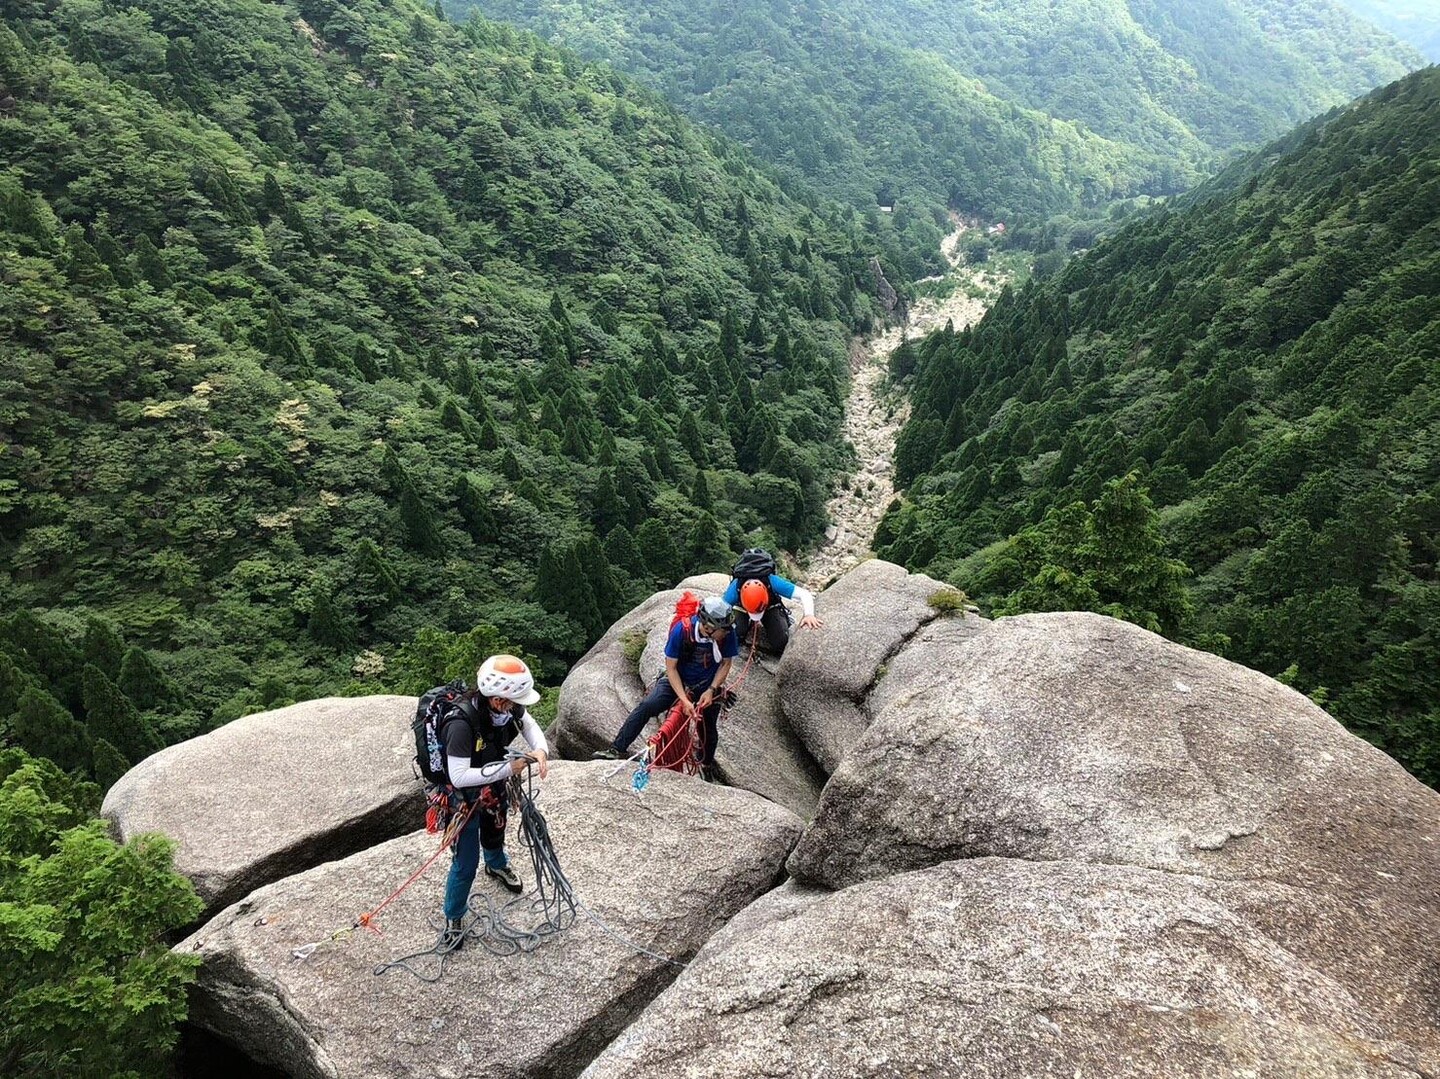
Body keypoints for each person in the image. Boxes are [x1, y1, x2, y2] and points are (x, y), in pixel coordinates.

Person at [441, 654, 549, 949]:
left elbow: (528, 724)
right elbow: (459, 776)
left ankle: (497, 865)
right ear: (499, 699)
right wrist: (507, 769)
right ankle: (453, 916)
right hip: (461, 797)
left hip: (492, 781)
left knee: (495, 829)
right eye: (514, 701)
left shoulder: (507, 709)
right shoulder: (461, 724)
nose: (518, 706)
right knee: (465, 862)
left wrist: (540, 749)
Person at [593, 596, 738, 779]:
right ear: (708, 628)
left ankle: (706, 763)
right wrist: (684, 700)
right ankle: (616, 749)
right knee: (647, 706)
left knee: (707, 726)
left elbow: (726, 663)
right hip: (678, 678)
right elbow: (671, 668)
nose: (727, 632)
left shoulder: (726, 633)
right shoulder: (682, 631)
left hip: (707, 684)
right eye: (723, 630)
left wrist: (712, 689)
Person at [723, 551, 822, 655]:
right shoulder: (736, 586)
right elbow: (720, 610)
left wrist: (809, 615)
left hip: (769, 605)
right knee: (735, 635)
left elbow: (804, 594)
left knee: (780, 642)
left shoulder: (771, 581)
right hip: (742, 607)